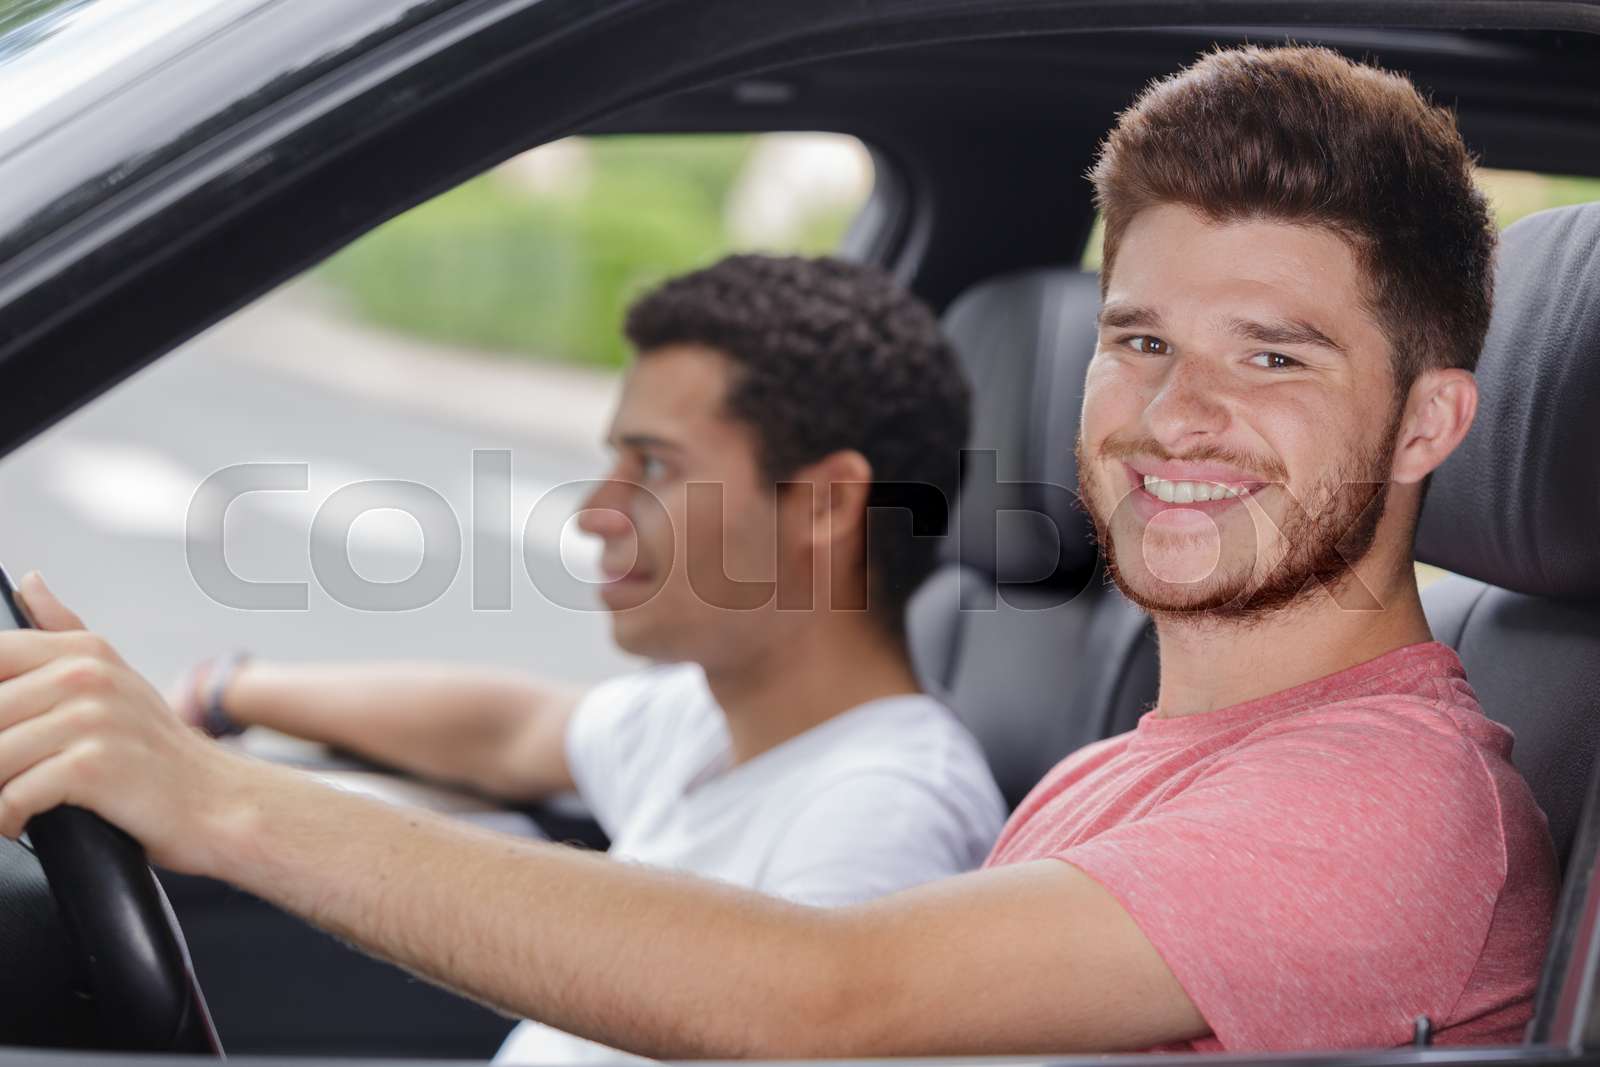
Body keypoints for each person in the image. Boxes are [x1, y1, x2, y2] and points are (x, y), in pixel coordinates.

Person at [0, 45, 1560, 1054]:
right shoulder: (1156, 764)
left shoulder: (1387, 801)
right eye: (1139, 337)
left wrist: (211, 800)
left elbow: (826, 997)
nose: (1176, 412)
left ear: (1431, 423)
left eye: (1275, 358)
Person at [169, 253, 1009, 1063]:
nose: (596, 513)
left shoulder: (880, 821)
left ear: (826, 503)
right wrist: (230, 690)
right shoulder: (706, 714)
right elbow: (509, 729)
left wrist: (220, 801)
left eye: (650, 465)